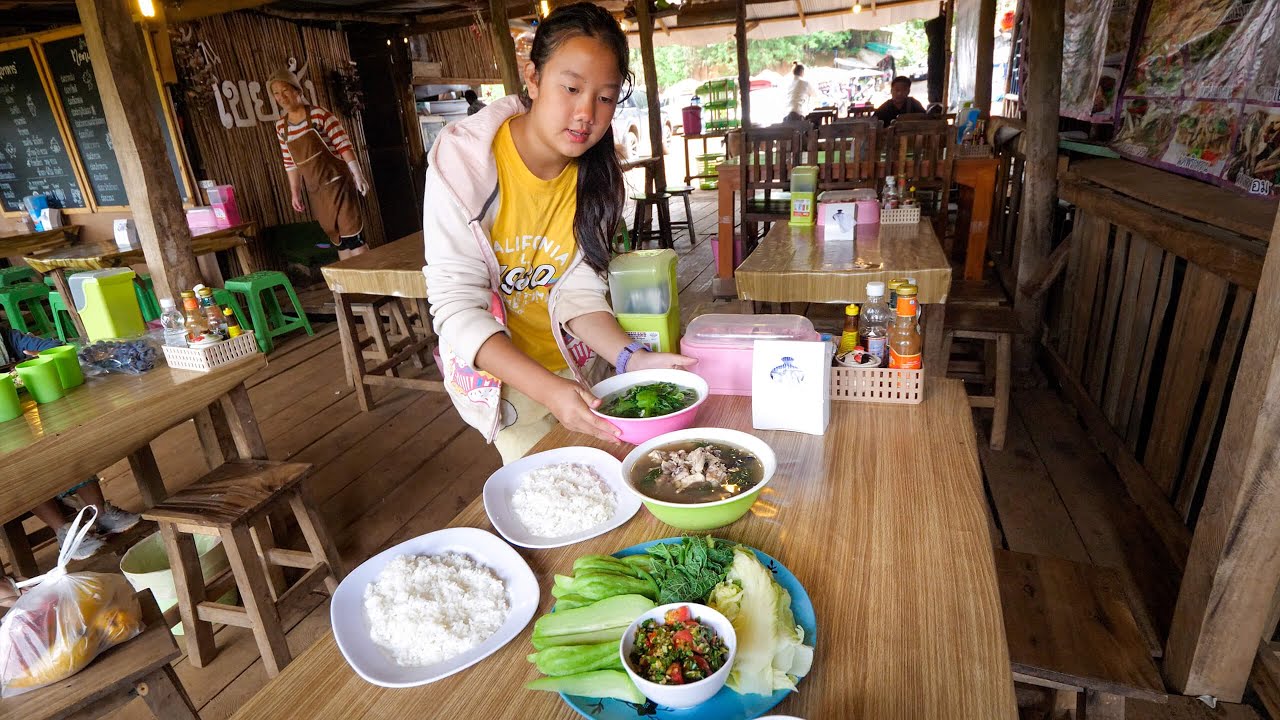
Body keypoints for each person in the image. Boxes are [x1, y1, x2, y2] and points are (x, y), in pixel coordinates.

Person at [422, 2, 697, 465]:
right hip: (507, 379)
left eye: (605, 97)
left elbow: (578, 289)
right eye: (570, 88)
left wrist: (631, 359)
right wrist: (549, 391)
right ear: (532, 78)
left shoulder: (595, 177)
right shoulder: (462, 165)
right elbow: (455, 308)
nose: (585, 113)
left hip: (577, 366)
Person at [1, 326, 139, 560]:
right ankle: (65, 531)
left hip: (26, 415)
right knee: (20, 469)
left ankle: (100, 512)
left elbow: (54, 347)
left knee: (63, 444)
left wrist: (44, 356)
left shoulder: (5, 337)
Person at [269, 70, 370, 260]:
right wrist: (295, 192)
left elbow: (343, 145)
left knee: (353, 237)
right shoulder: (281, 127)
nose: (281, 97)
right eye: (276, 93)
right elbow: (290, 162)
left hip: (339, 184)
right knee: (337, 239)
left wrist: (358, 175)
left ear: (297, 91)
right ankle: (351, 289)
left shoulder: (319, 115)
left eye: (285, 91)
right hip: (317, 191)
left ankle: (372, 287)